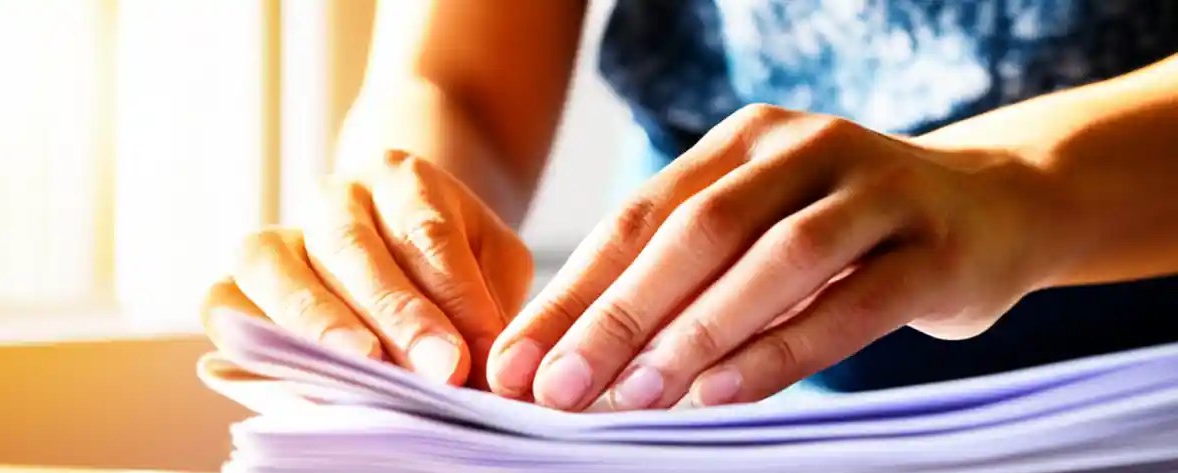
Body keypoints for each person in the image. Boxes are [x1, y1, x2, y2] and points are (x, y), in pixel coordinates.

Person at [203, 0, 1178, 412]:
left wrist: (1024, 179)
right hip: (689, 362)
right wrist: (405, 232)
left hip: (1138, 332)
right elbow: (457, 81)